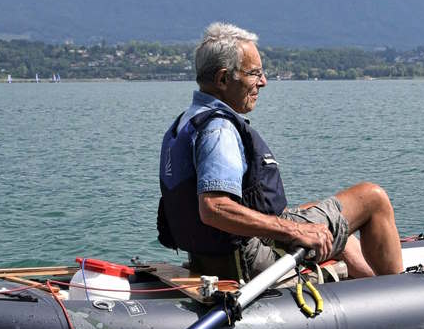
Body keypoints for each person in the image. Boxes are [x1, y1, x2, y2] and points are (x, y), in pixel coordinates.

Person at [158, 23, 404, 280]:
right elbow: (214, 208)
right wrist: (295, 232)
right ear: (223, 79)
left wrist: (291, 226)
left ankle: (369, 285)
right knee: (372, 198)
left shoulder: (187, 121)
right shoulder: (219, 130)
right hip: (251, 262)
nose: (263, 82)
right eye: (254, 73)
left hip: (210, 260)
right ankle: (400, 292)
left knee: (312, 210)